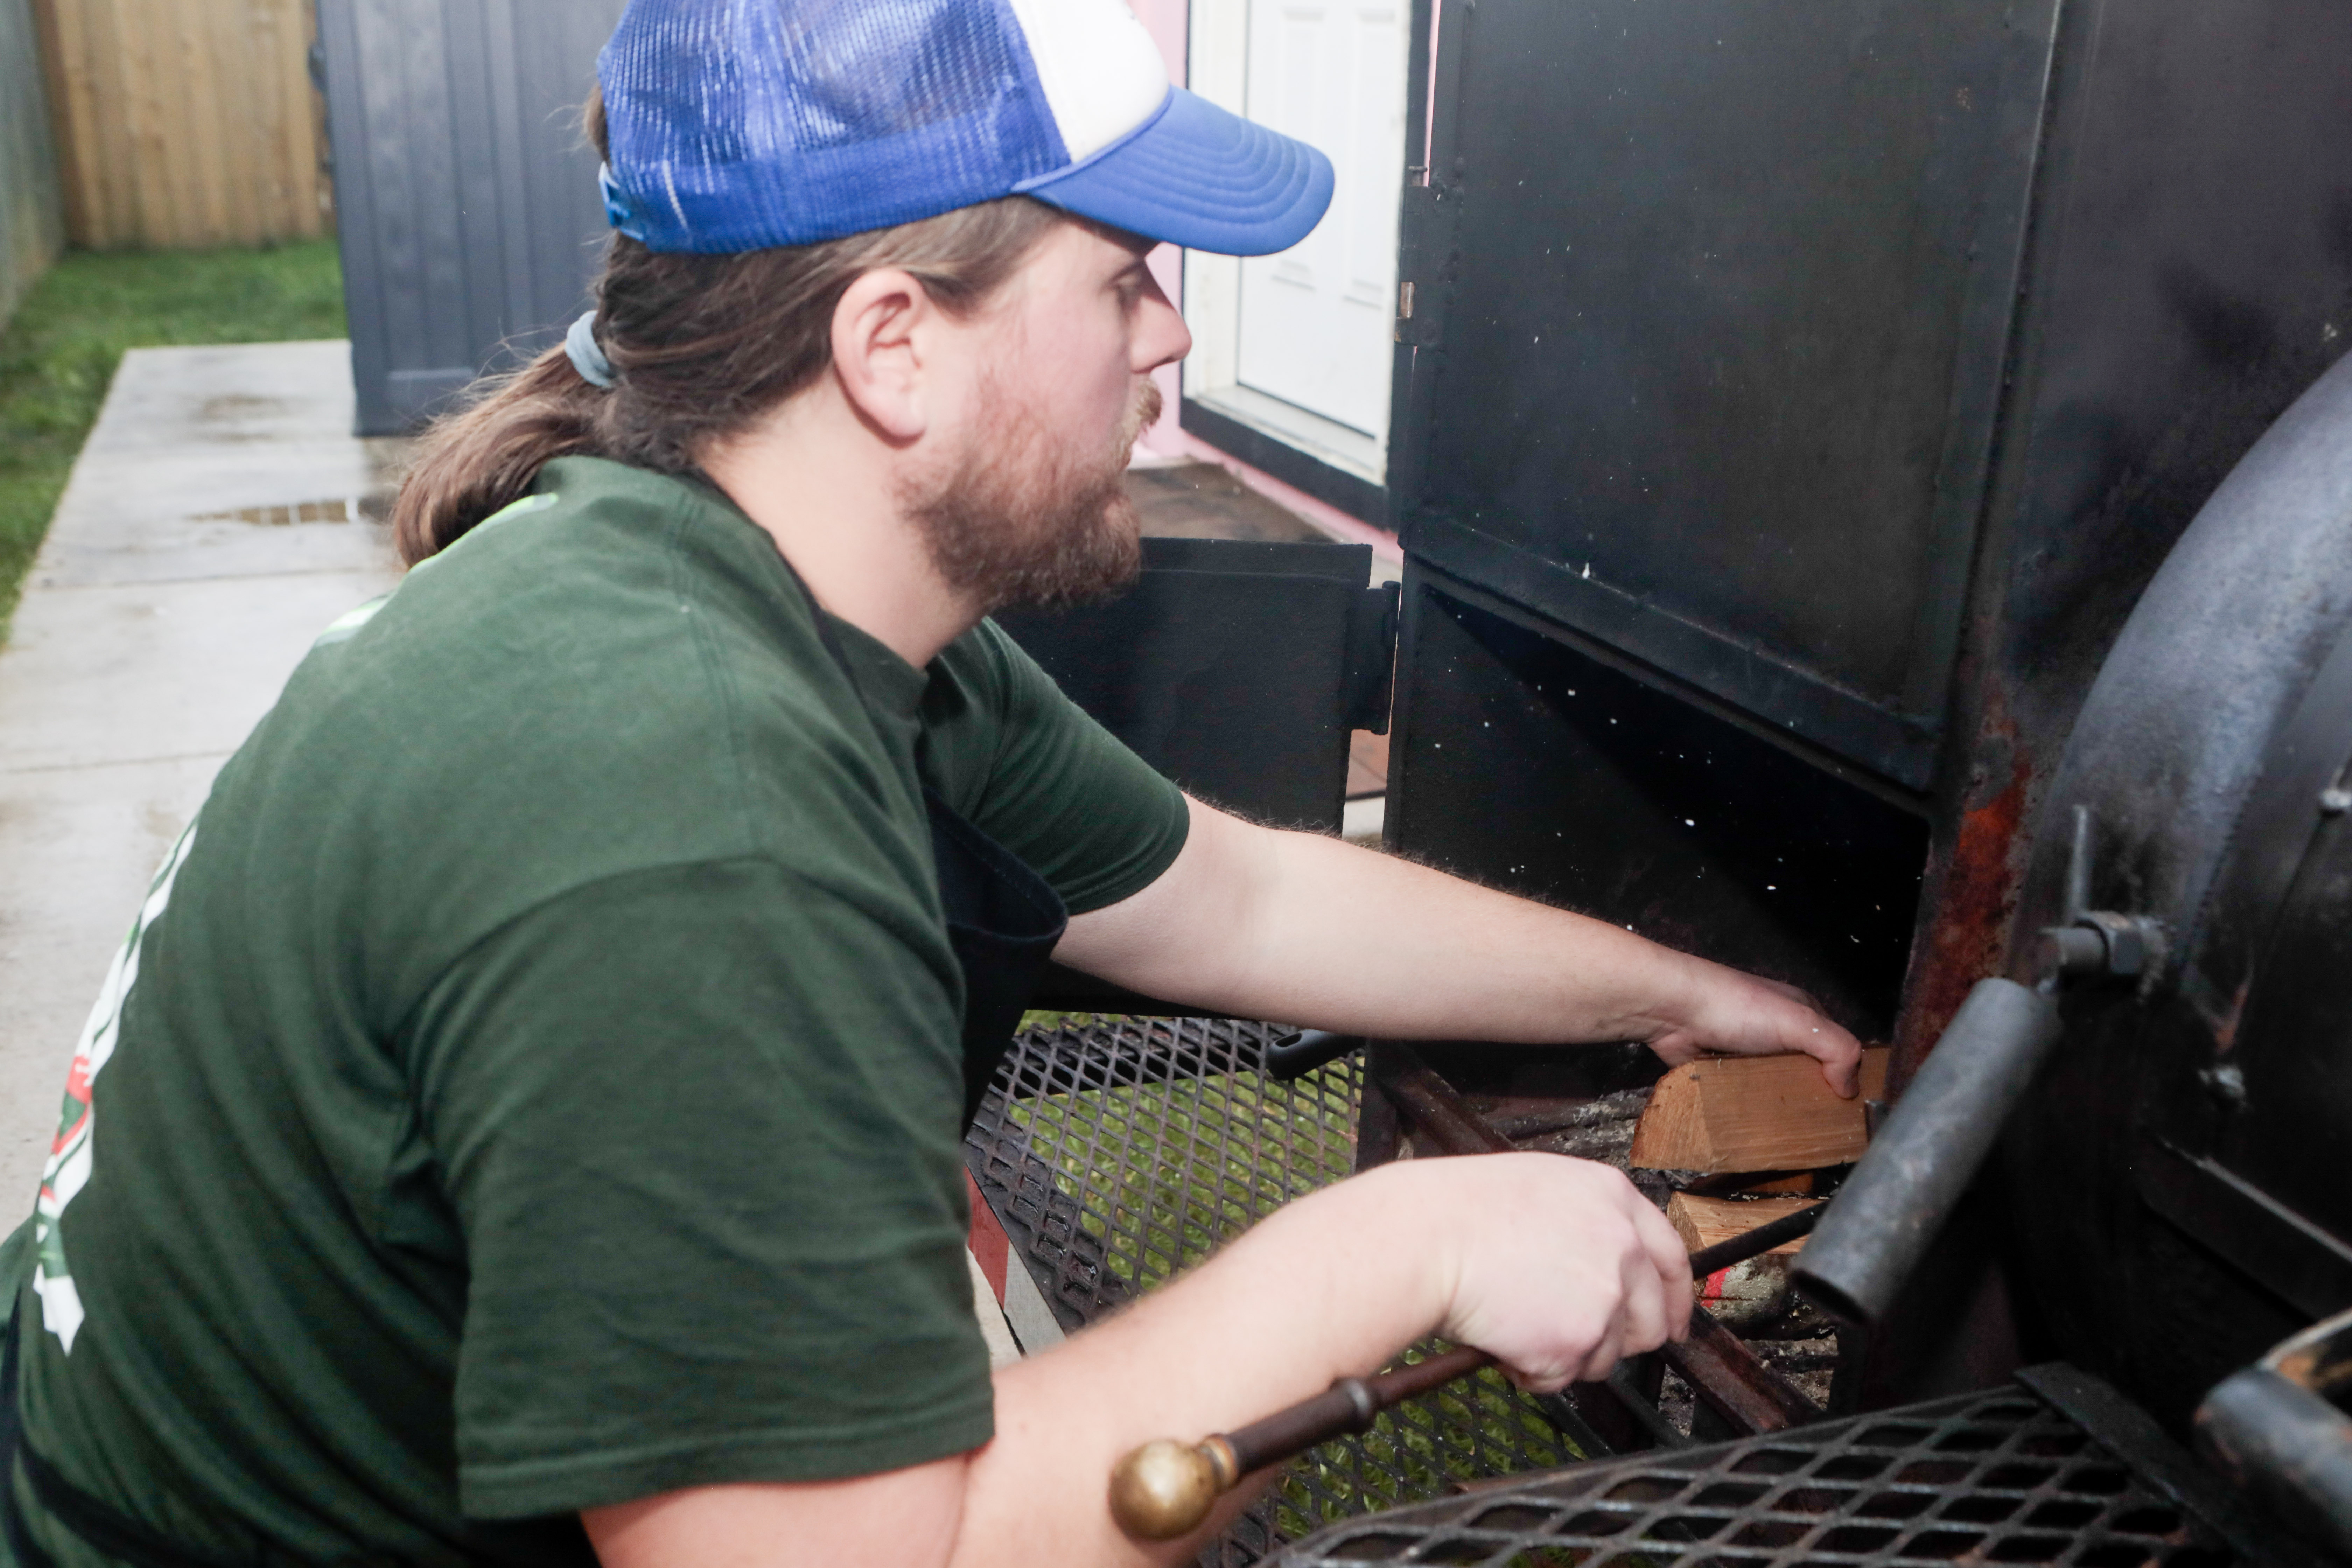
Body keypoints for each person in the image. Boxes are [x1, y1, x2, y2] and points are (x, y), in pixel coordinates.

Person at [0, 2, 1863, 1564]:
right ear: (893, 344)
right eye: (1122, 279)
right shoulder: (690, 811)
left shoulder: (735, 583)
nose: (1172, 337)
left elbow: (1236, 896)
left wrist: (1674, 992)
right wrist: (1417, 1238)